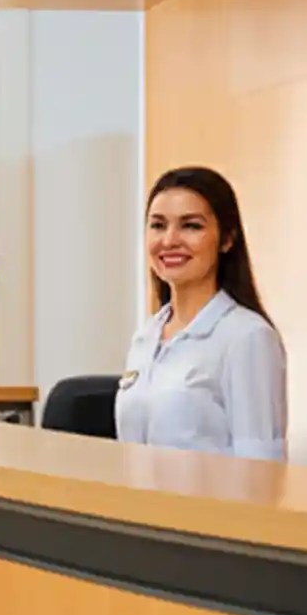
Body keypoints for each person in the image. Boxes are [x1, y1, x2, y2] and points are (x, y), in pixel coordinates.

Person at [115, 166, 287, 461]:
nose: (169, 240)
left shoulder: (248, 338)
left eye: (191, 226)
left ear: (227, 239)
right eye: (158, 225)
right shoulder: (145, 337)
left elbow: (262, 471)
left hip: (207, 508)